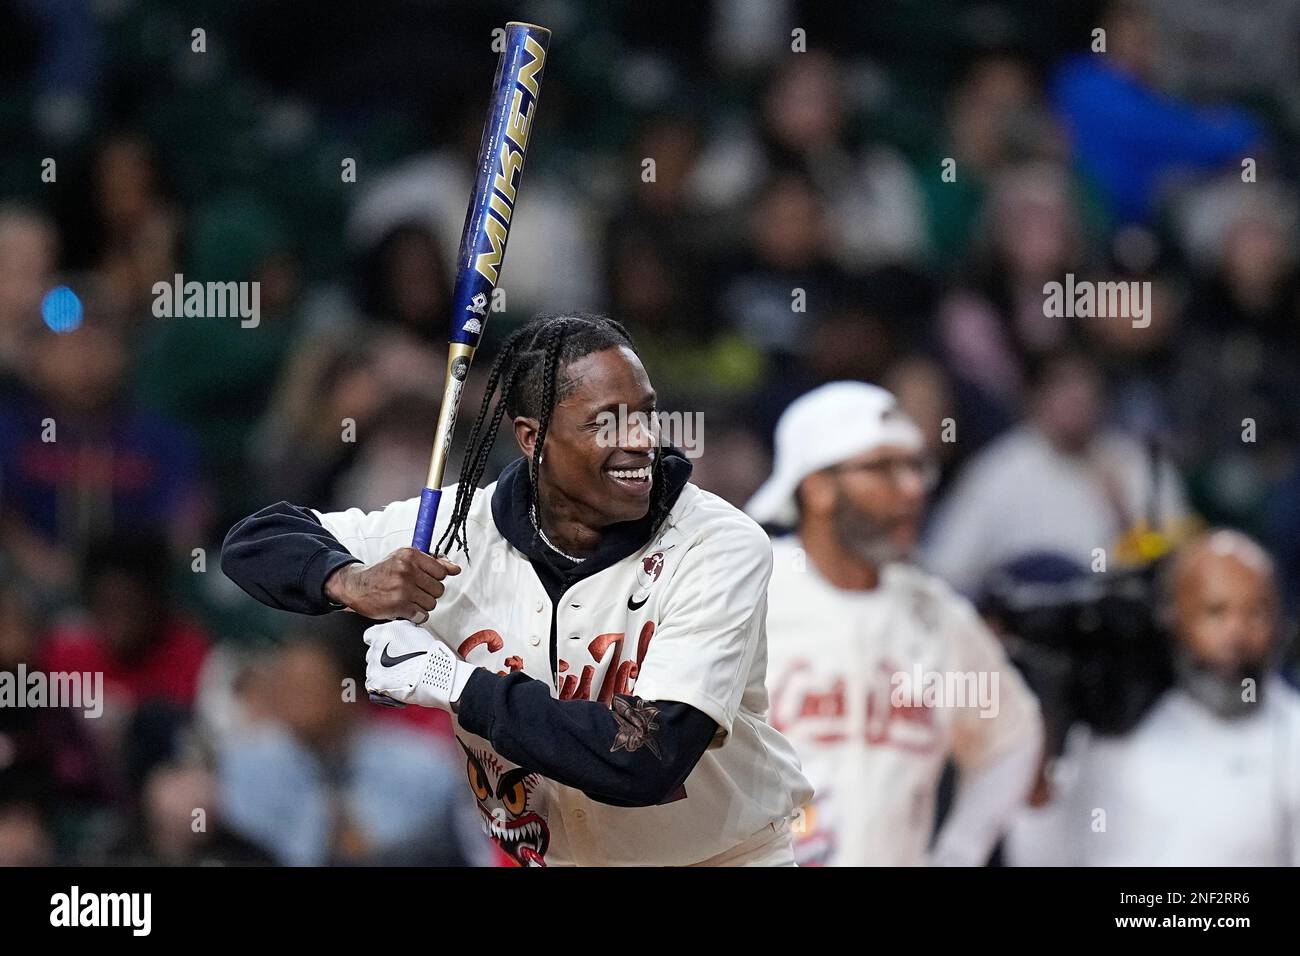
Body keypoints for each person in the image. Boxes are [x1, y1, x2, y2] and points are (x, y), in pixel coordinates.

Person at [222, 312, 812, 867]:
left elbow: (645, 761)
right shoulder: (457, 531)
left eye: (647, 414)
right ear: (532, 438)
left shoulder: (716, 543)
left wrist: (454, 684)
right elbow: (255, 541)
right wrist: (351, 580)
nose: (641, 440)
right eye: (608, 421)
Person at [746, 382, 1043, 866]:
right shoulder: (746, 593)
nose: (912, 488)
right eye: (883, 468)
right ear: (817, 488)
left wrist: (958, 852)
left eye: (915, 466)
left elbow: (1012, 738)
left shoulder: (937, 616)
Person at [1006, 529, 1300, 866]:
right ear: (1173, 617)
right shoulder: (1115, 714)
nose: (1236, 634)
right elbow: (1039, 860)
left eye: (1255, 613)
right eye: (1215, 612)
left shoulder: (1292, 736)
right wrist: (1040, 772)